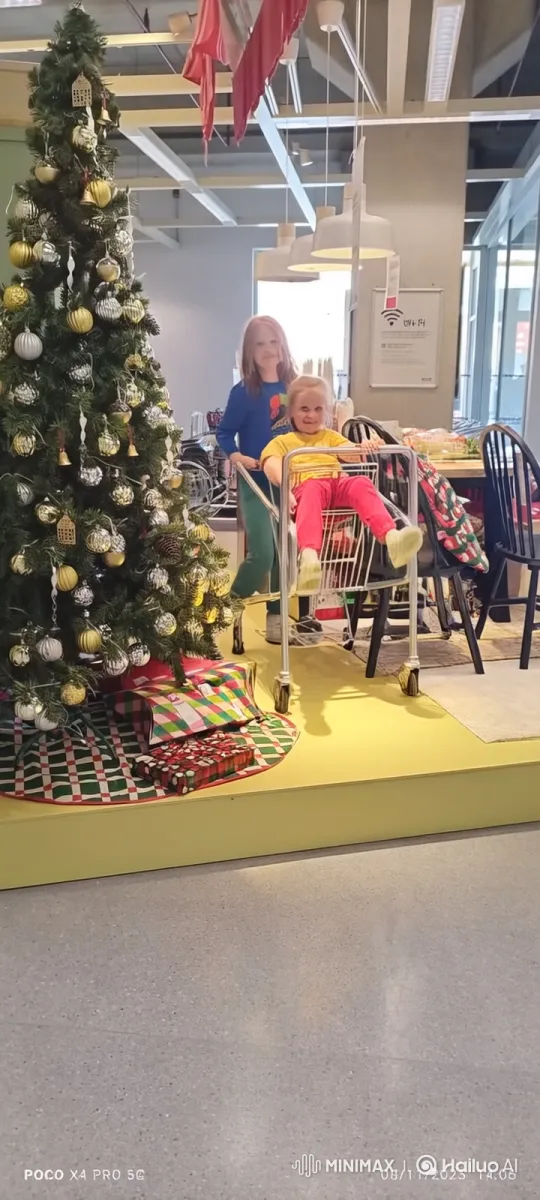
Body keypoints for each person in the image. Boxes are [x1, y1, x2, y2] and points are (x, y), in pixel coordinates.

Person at [261, 375, 423, 594]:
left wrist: (366, 446)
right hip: (308, 491)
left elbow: (351, 454)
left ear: (327, 412)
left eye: (318, 409)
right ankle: (309, 558)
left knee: (360, 482)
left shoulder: (330, 436)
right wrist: (285, 488)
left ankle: (392, 538)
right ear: (291, 412)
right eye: (304, 409)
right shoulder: (283, 442)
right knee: (311, 489)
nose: (311, 415)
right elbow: (271, 463)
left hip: (337, 488)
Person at [217, 317, 321, 643]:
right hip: (255, 481)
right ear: (249, 350)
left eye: (272, 342)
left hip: (288, 481)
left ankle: (277, 616)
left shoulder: (295, 386)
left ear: (282, 344)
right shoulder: (244, 392)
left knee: (285, 551)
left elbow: (310, 421)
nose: (267, 350)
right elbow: (224, 433)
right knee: (262, 552)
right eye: (259, 343)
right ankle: (229, 606)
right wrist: (235, 457)